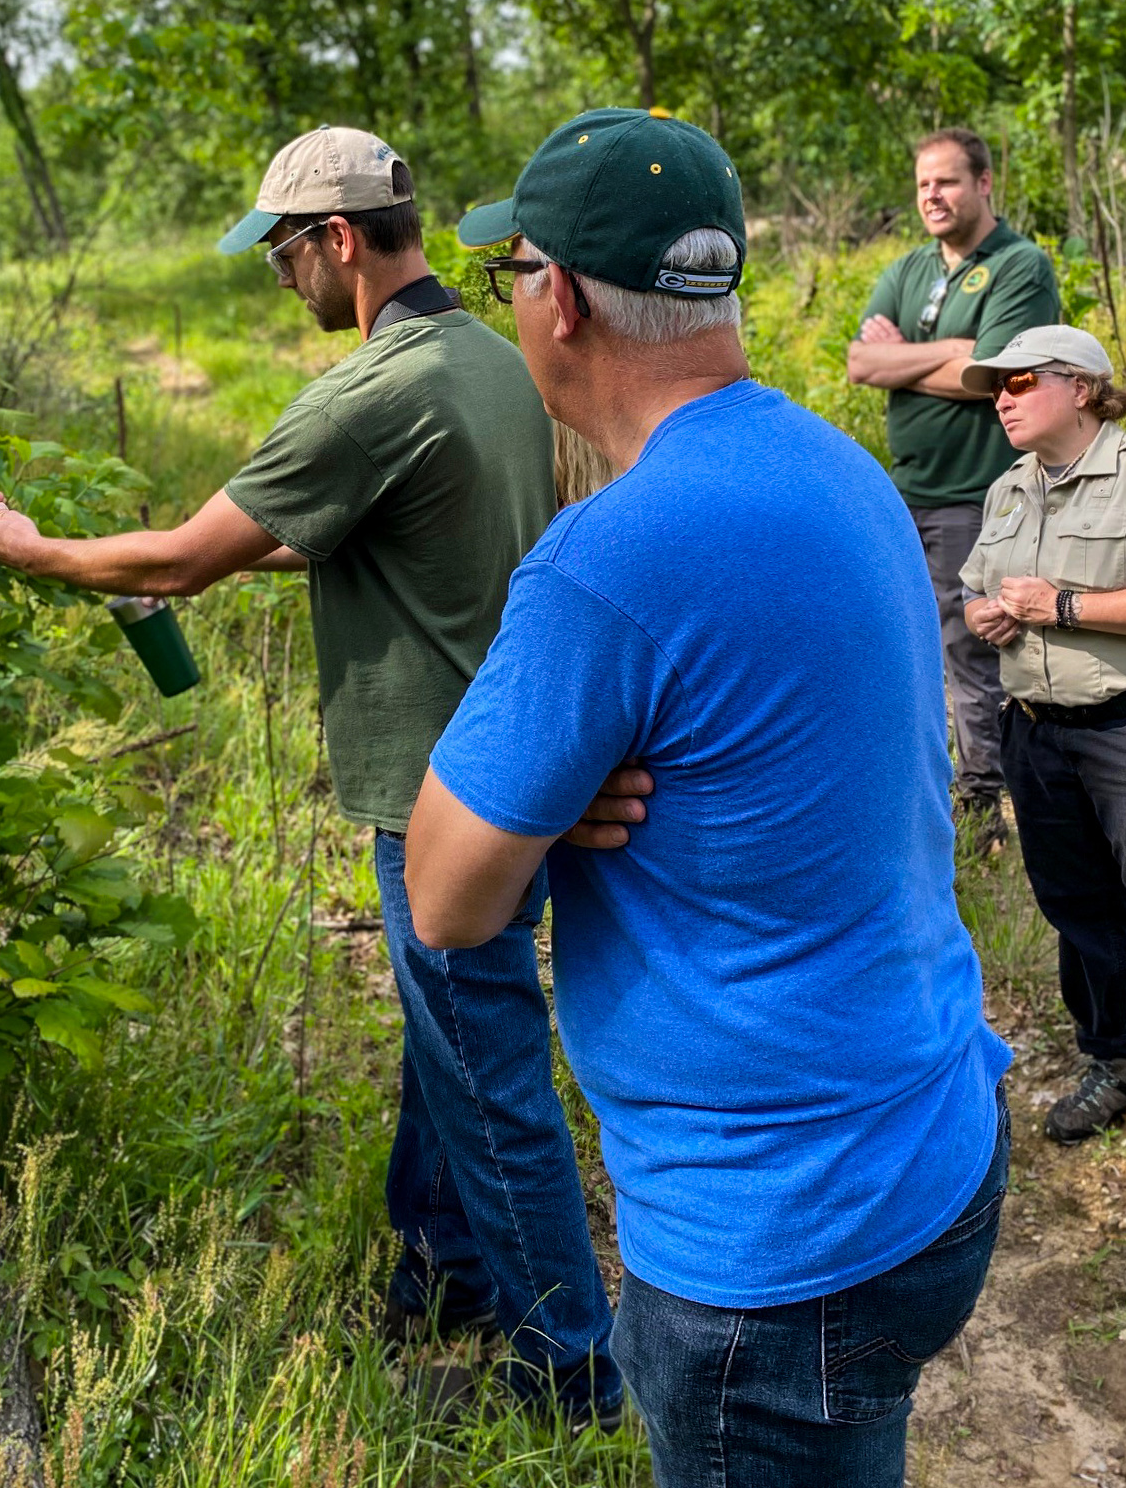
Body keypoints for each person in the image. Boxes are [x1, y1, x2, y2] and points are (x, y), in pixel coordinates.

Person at [0, 124, 639, 1425]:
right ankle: (436, 1270)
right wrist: (213, 552)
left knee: (492, 1076)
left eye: (284, 251)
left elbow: (172, 560)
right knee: (449, 1046)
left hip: (440, 799)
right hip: (507, 762)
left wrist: (40, 553)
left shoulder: (370, 391)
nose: (281, 275)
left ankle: (568, 1375)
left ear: (338, 239)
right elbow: (354, 530)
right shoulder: (489, 362)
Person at [409, 106, 1011, 1487]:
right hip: (930, 1144)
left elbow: (447, 896)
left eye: (513, 277)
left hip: (774, 1250)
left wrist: (546, 800)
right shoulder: (838, 466)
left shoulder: (606, 563)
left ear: (555, 295)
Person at [960, 325, 1126, 1144]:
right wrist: (989, 614)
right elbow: (972, 594)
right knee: (1080, 913)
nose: (1001, 396)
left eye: (1020, 380)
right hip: (1036, 731)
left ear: (1082, 385)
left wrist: (1062, 606)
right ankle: (1119, 1065)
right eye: (995, 385)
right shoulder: (1008, 489)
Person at [848, 128, 1060, 849]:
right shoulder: (908, 268)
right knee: (913, 645)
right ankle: (933, 790)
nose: (932, 196)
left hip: (979, 491)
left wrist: (904, 356)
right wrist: (953, 354)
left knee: (974, 649)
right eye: (921, 186)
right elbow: (860, 363)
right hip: (907, 490)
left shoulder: (1019, 265)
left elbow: (998, 372)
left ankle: (985, 809)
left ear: (984, 183)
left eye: (947, 182)